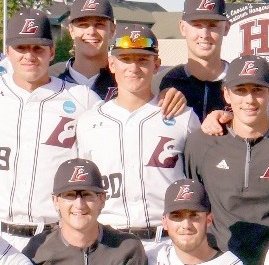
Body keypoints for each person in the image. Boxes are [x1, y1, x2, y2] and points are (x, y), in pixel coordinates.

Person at [0, 10, 102, 247]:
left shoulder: (82, 99)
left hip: (54, 234)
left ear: (51, 52)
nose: (29, 55)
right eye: (21, 48)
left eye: (38, 48)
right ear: (8, 53)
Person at [183, 55, 269, 265]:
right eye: (240, 90)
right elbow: (195, 202)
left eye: (258, 90)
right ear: (226, 93)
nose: (249, 100)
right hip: (220, 264)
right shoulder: (202, 143)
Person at [81, 24, 191, 241]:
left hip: (166, 239)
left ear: (156, 65)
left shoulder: (182, 116)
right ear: (111, 63)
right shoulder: (89, 121)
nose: (133, 67)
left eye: (142, 60)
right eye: (125, 59)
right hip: (108, 240)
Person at [156, 0, 230, 120]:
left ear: (226, 28)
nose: (204, 34)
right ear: (183, 28)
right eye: (197, 25)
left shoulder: (239, 80)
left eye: (213, 25)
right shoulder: (163, 81)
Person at [52, 0, 118, 99]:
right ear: (71, 30)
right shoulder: (51, 77)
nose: (91, 31)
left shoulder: (126, 79)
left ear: (112, 30)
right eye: (83, 25)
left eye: (99, 24)